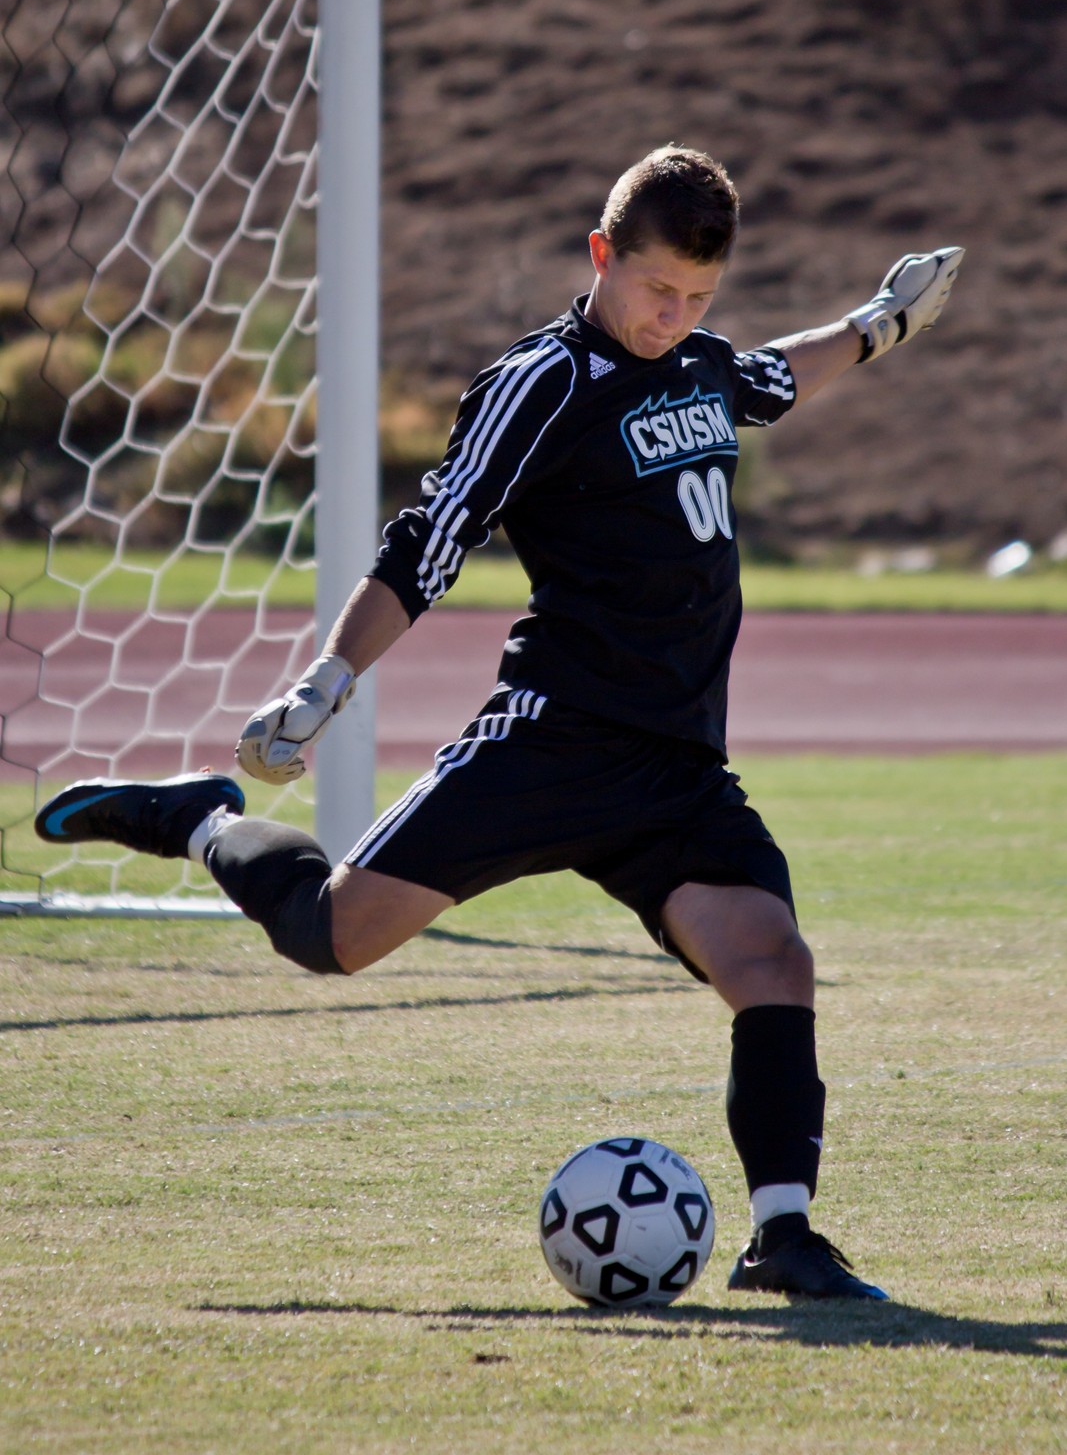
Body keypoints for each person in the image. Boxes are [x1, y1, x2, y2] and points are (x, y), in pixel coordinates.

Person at [36, 146, 963, 1302]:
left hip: (674, 765)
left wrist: (880, 323)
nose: (671, 316)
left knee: (771, 958)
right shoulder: (539, 383)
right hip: (551, 738)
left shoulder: (699, 361)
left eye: (696, 296)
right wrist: (327, 680)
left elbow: (773, 376)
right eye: (653, 288)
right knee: (330, 936)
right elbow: (430, 537)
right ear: (600, 254)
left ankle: (782, 1237)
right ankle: (198, 821)